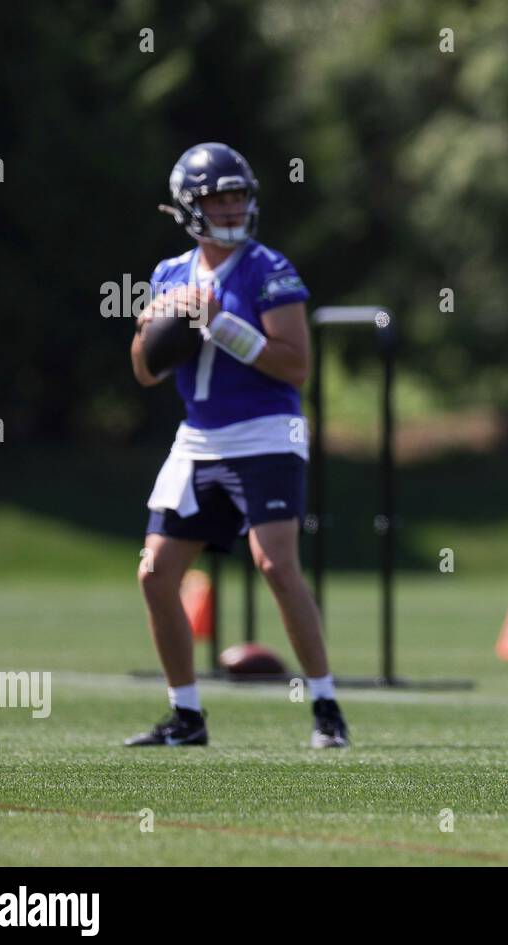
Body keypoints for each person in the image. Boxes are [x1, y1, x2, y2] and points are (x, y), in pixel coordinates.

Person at [126, 142, 347, 748]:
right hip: (197, 440)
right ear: (190, 207)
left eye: (238, 195)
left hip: (265, 433)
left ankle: (326, 706)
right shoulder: (170, 273)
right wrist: (161, 325)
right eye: (218, 198)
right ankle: (186, 716)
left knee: (275, 563)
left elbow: (296, 365)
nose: (230, 207)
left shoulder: (268, 269)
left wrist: (218, 324)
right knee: (154, 574)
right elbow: (144, 372)